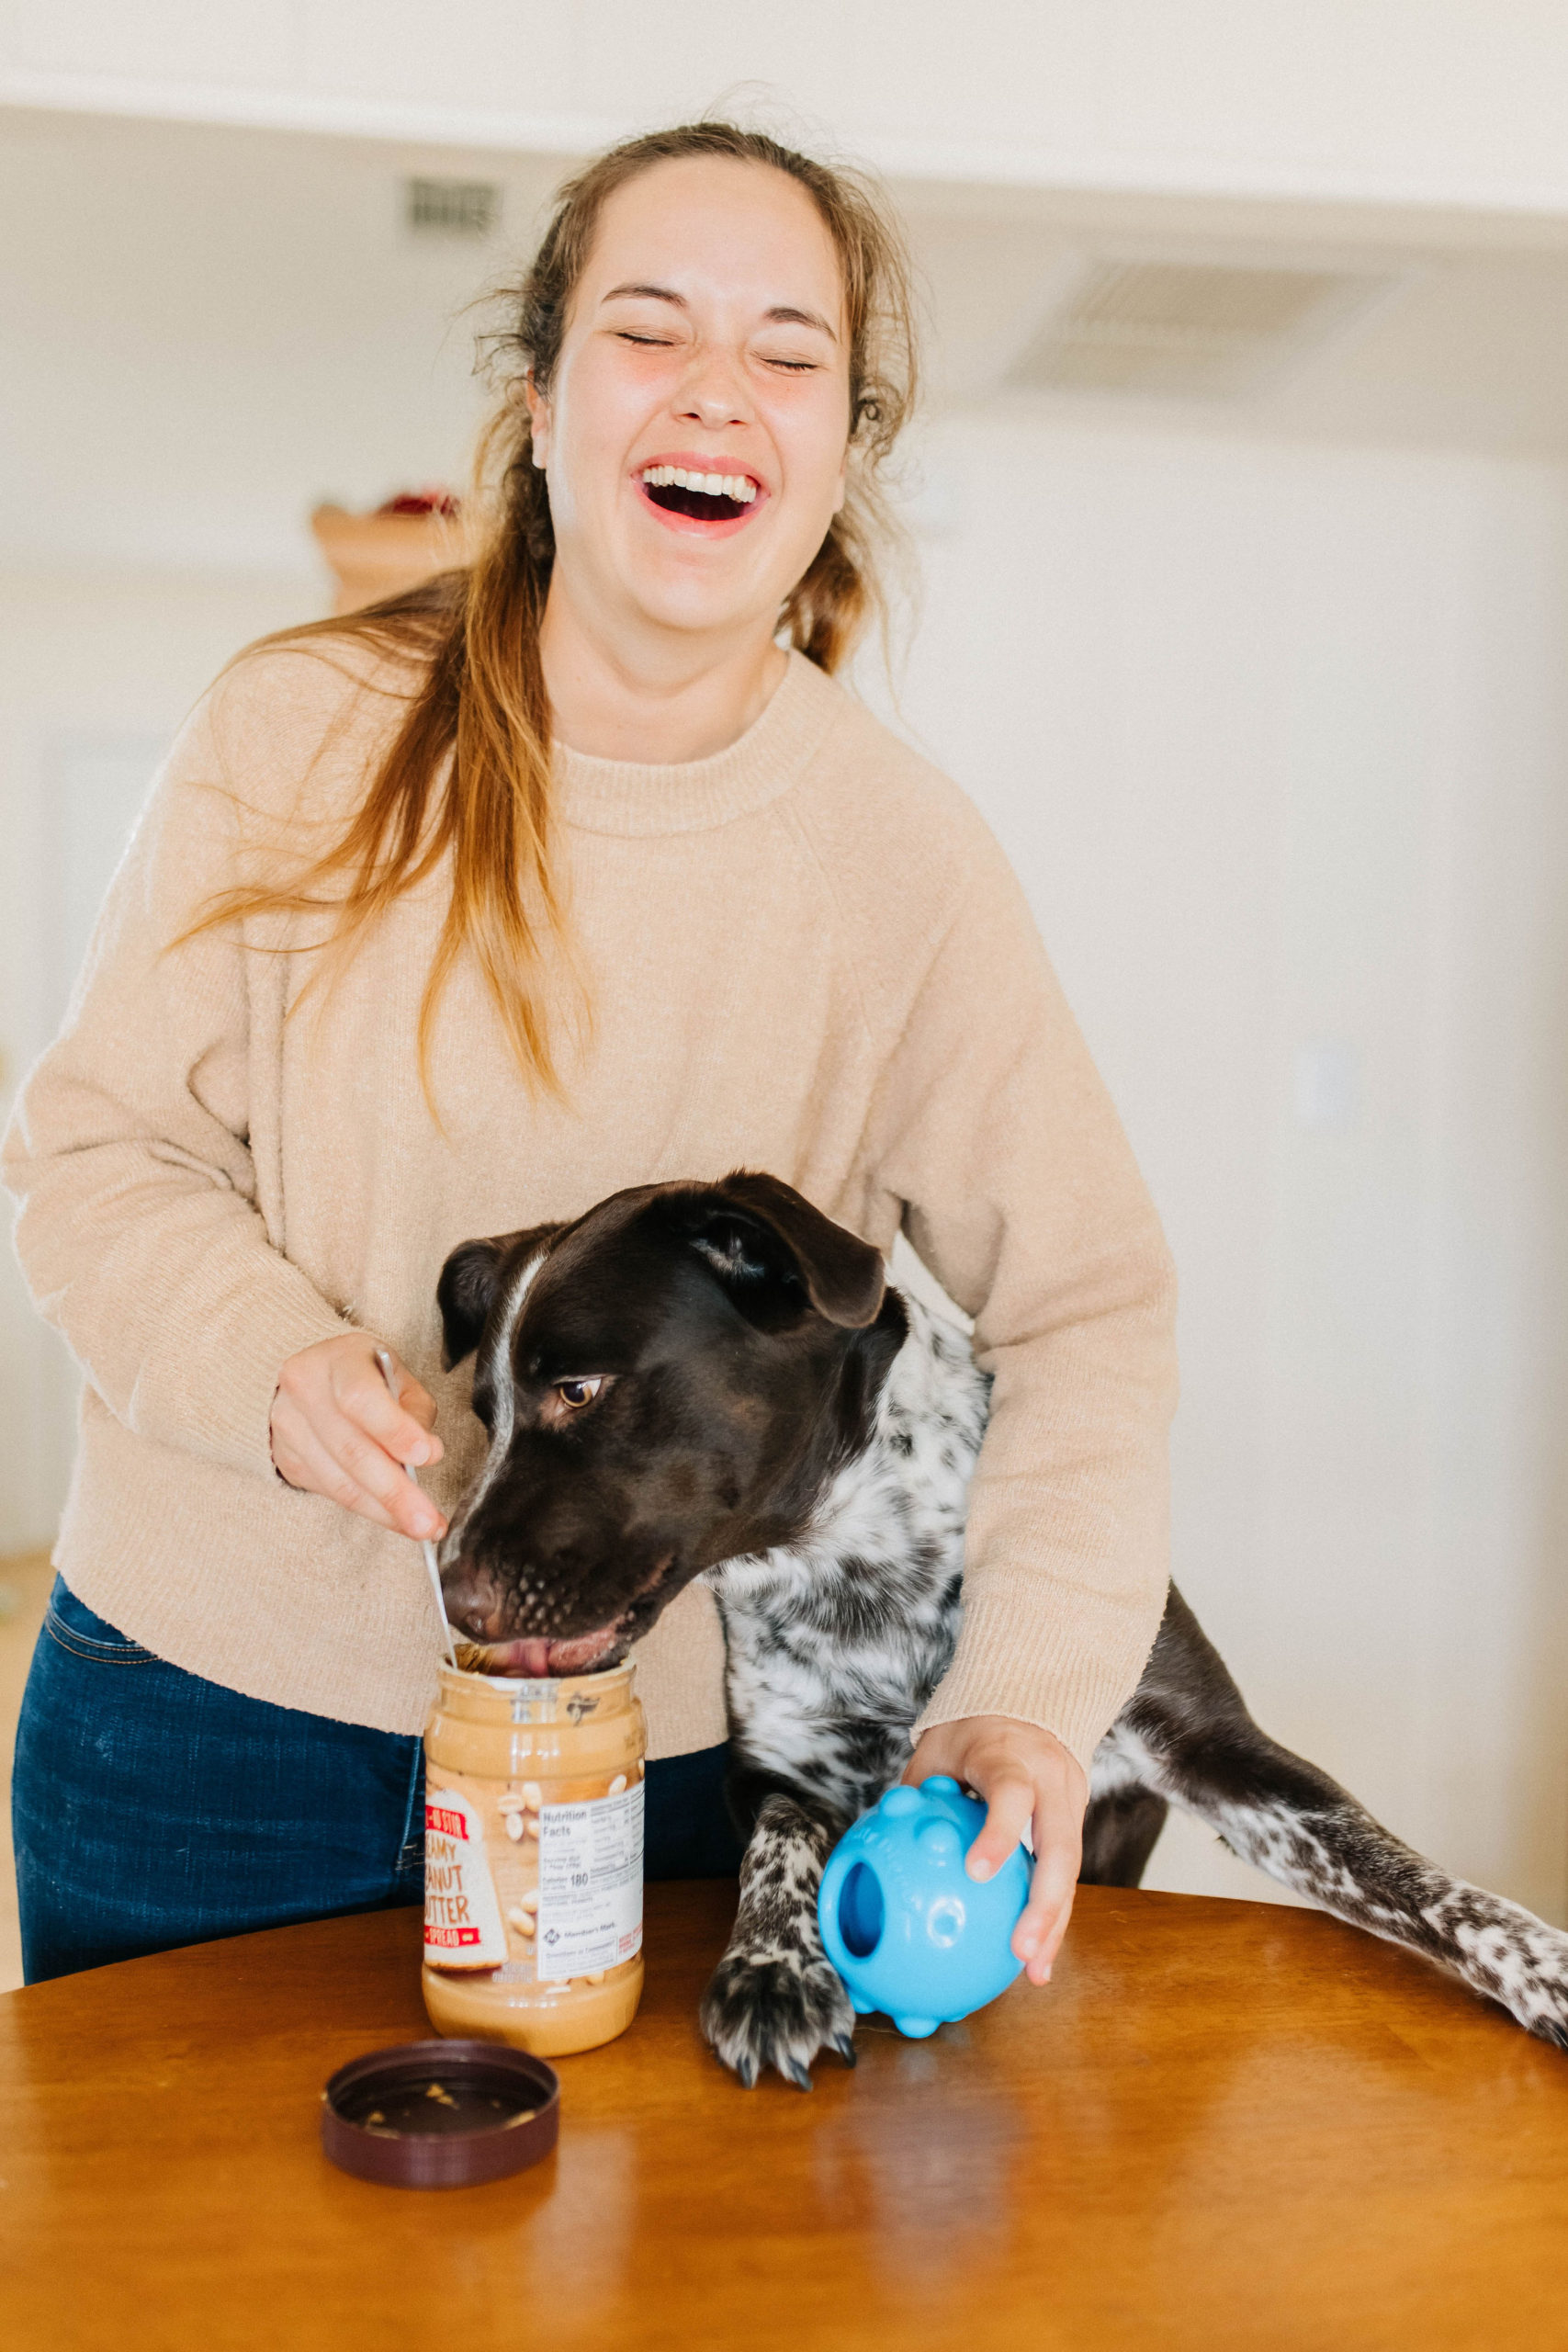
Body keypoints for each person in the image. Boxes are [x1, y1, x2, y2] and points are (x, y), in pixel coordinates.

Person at [3, 122, 1177, 1987]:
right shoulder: (294, 728)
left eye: (787, 350)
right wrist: (270, 1360)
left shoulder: (902, 858)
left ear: (840, 450)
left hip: (668, 1772)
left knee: (611, 2285)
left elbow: (1088, 1306)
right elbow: (93, 1152)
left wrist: (1022, 1689)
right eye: (651, 329)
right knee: (174, 2283)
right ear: (540, 397)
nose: (718, 391)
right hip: (198, 1732)